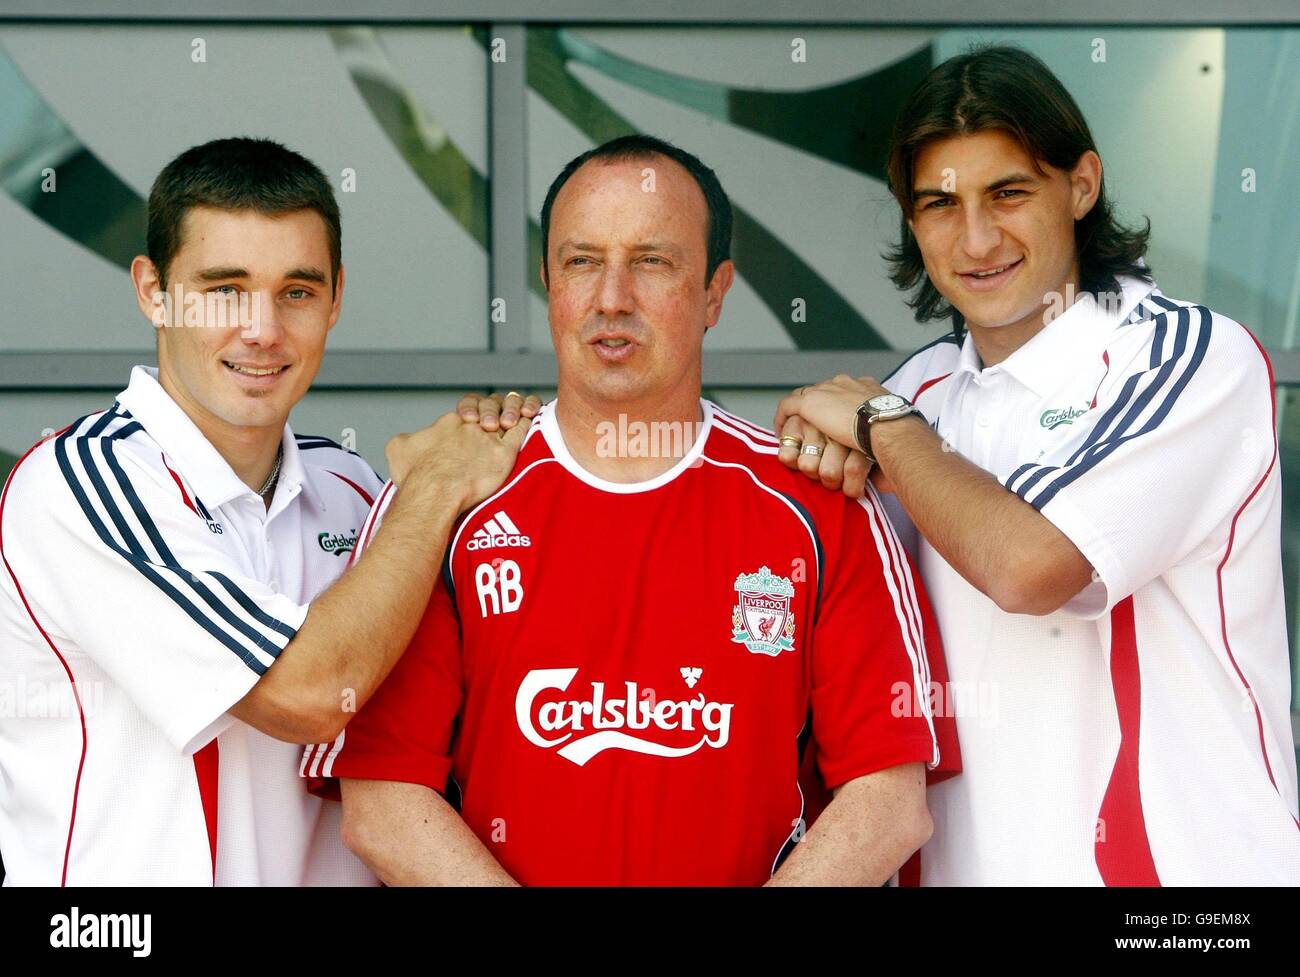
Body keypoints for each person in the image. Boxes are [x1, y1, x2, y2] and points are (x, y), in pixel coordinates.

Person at [300, 134, 957, 886]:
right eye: (582, 262)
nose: (612, 297)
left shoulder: (819, 504)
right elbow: (382, 802)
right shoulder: (447, 499)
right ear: (549, 281)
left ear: (714, 291)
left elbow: (888, 802)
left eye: (651, 261)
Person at [775, 46, 1300, 885]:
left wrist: (878, 425)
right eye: (939, 203)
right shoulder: (919, 392)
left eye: (1008, 193)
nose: (976, 237)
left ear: (1082, 184)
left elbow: (1031, 568)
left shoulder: (1188, 358)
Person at [0, 137, 536, 885]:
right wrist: (436, 487)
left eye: (298, 290)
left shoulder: (353, 488)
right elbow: (307, 694)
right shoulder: (81, 483)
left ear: (336, 297)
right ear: (153, 290)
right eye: (225, 288)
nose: (263, 329)